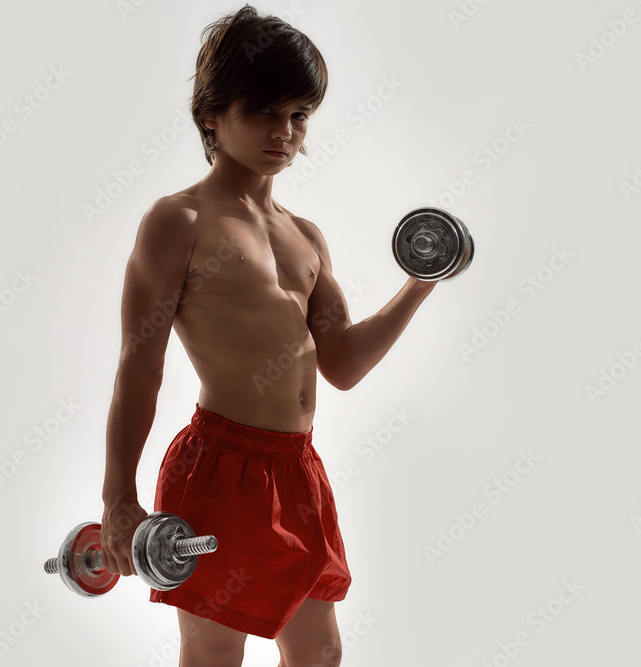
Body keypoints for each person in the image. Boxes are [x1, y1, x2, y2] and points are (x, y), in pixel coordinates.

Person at [98, 5, 435, 667]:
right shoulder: (179, 221)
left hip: (299, 471)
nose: (284, 132)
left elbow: (342, 363)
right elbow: (140, 366)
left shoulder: (305, 236)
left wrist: (422, 279)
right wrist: (117, 497)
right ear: (211, 116)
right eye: (264, 112)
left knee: (318, 653)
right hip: (219, 467)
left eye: (299, 115)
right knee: (216, 656)